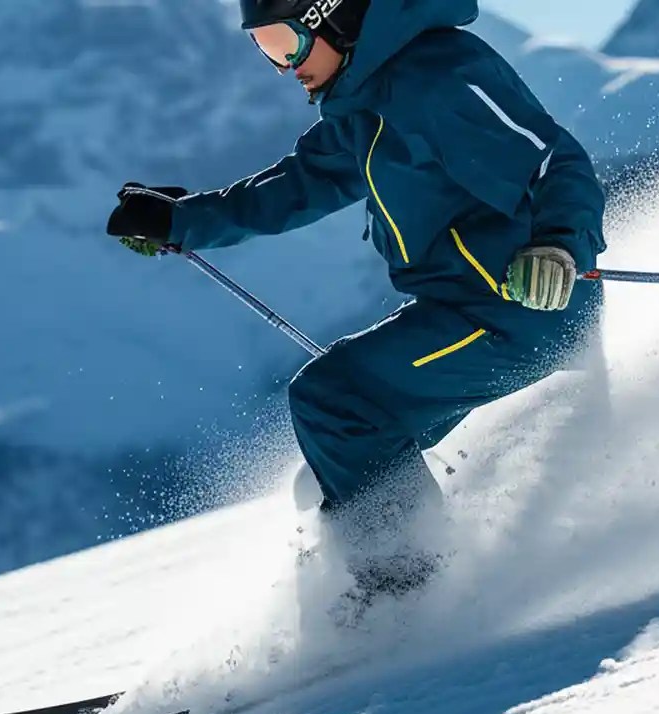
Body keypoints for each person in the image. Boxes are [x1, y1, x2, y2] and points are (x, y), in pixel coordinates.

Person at [106, 0, 606, 591]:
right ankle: (383, 581)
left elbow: (554, 159)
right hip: (461, 310)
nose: (284, 65)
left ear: (334, 18)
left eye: (285, 42)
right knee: (336, 463)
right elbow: (293, 187)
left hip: (523, 307)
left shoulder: (437, 75)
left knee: (337, 399)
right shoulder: (364, 105)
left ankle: (407, 593)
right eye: (264, 48)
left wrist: (557, 244)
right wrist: (180, 221)